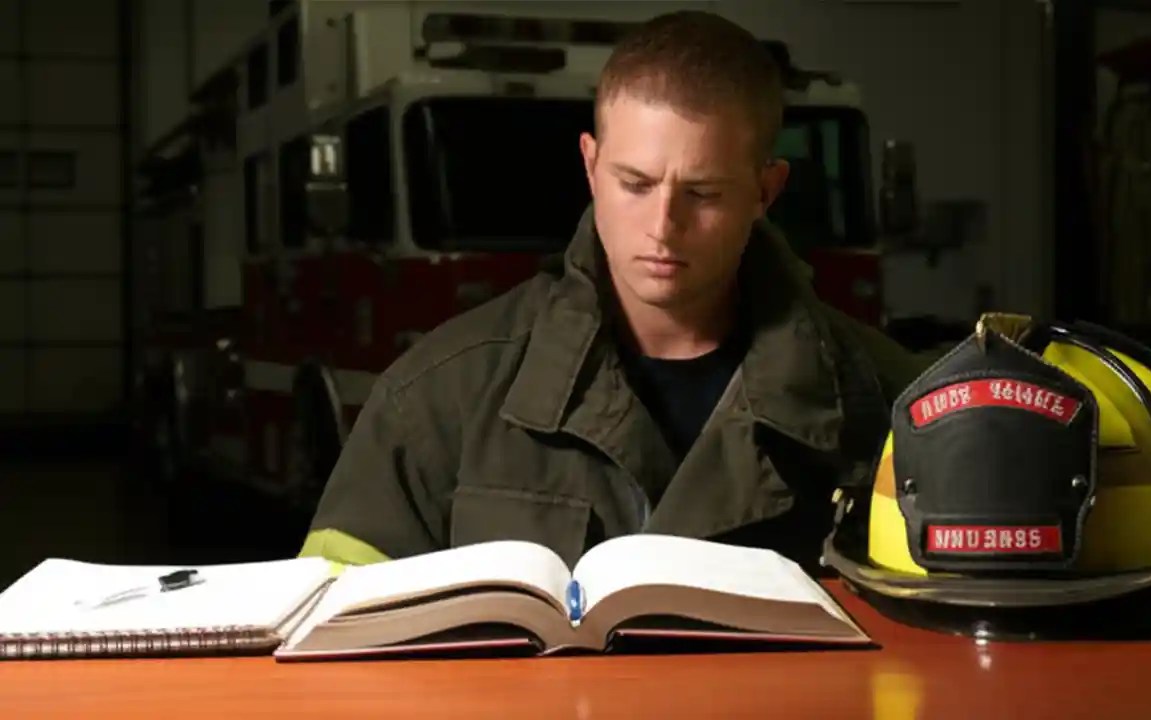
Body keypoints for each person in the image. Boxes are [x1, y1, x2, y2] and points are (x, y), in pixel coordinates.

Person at [298, 10, 928, 574]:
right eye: (635, 184)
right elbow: (331, 639)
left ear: (766, 191)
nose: (662, 227)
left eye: (703, 194)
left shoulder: (889, 405)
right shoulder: (437, 399)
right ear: (590, 165)